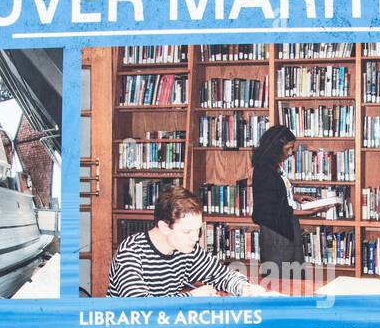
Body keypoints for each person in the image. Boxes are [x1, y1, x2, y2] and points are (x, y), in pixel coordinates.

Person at [108, 185, 268, 297]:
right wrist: (191, 298)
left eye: (198, 229)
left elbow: (221, 275)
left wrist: (245, 288)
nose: (195, 237)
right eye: (187, 231)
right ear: (164, 227)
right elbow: (141, 310)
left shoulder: (187, 248)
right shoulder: (130, 253)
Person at [250, 124, 325, 290]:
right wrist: (306, 211)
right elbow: (272, 207)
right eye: (288, 148)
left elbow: (276, 194)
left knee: (294, 274)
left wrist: (295, 196)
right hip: (276, 231)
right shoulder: (264, 169)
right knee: (280, 279)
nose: (290, 153)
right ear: (276, 147)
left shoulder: (273, 166)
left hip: (286, 225)